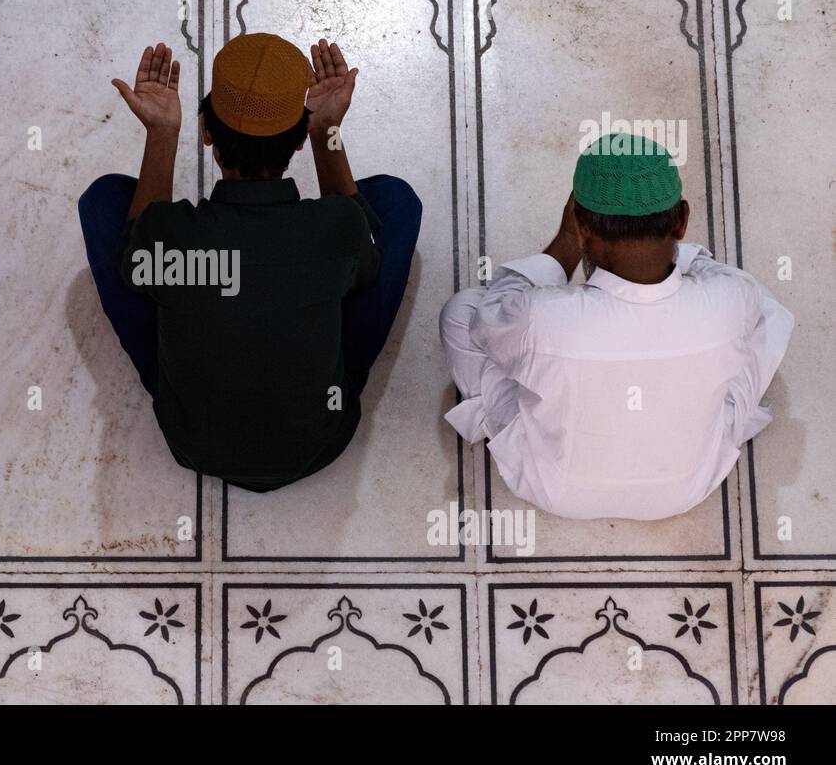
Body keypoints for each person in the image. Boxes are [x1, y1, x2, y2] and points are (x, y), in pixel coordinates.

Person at [78, 34, 423, 492]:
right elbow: (365, 251)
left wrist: (160, 133)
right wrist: (327, 133)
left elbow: (138, 252)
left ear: (206, 133)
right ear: (299, 140)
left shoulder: (170, 233)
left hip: (192, 442)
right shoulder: (336, 225)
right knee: (391, 204)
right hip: (319, 440)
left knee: (108, 205)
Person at [440, 133, 794, 520]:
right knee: (767, 314)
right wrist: (689, 261)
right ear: (682, 221)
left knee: (462, 312)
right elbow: (751, 304)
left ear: (580, 226)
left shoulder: (539, 316)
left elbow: (488, 318)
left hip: (558, 489)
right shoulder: (729, 298)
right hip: (685, 488)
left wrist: (564, 245)